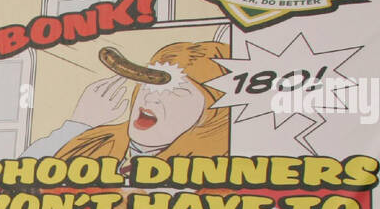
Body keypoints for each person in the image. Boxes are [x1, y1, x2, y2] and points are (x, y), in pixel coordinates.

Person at [24, 41, 231, 172]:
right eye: (148, 84)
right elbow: (16, 178)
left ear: (211, 113)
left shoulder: (215, 169)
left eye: (178, 92)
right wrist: (80, 124)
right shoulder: (97, 140)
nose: (152, 99)